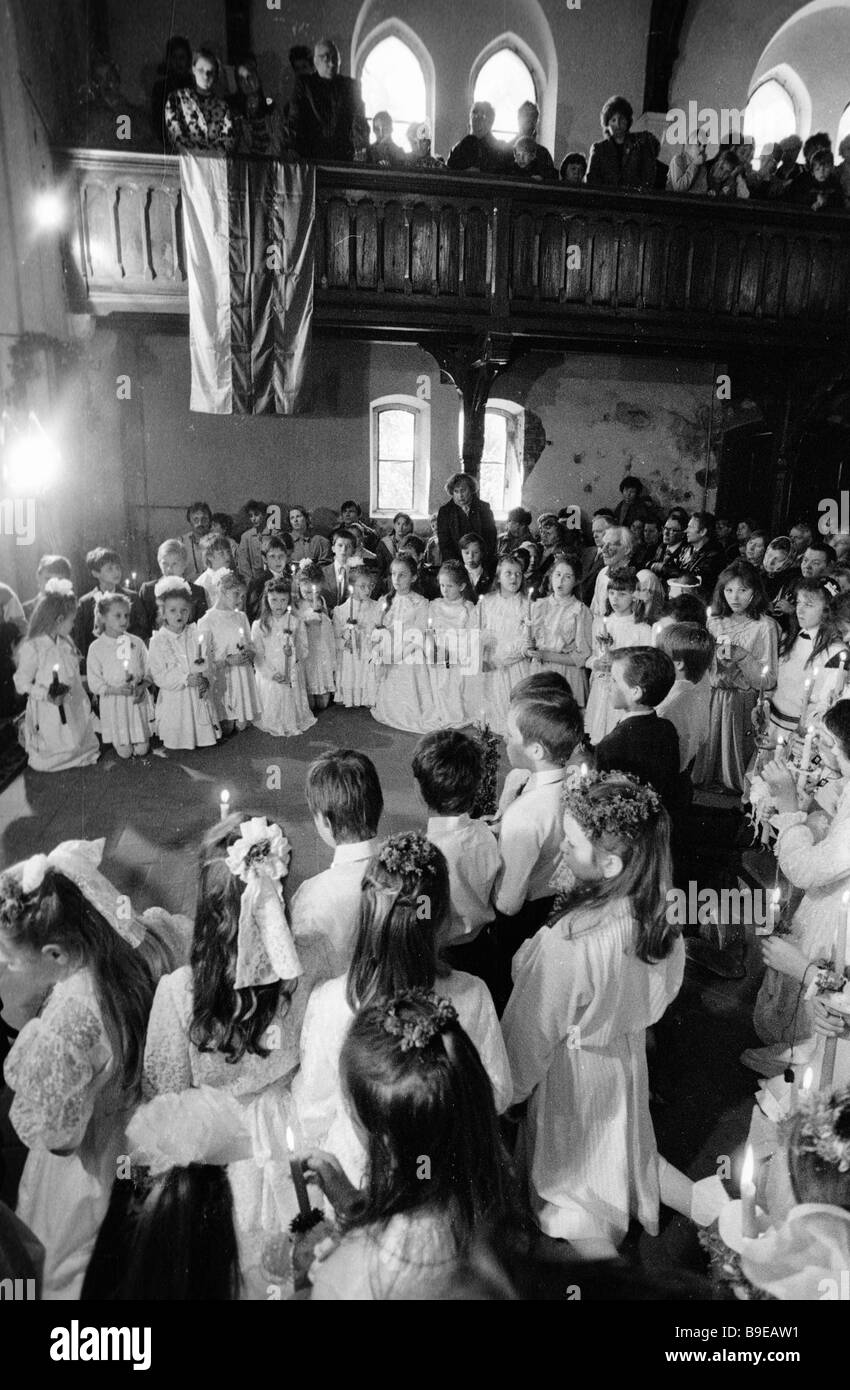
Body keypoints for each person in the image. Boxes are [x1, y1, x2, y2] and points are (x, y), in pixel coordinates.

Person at [142, 815, 332, 1298]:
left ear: (208, 906)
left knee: (230, 1267)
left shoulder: (180, 991)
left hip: (217, 1148)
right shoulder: (310, 959)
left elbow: (164, 1093)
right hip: (292, 1133)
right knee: (295, 1258)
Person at [501, 774, 685, 1254]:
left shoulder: (570, 943)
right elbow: (661, 992)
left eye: (572, 843)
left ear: (609, 863)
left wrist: (512, 1092)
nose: (561, 850)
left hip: (573, 1072)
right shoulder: (658, 913)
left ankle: (603, 1266)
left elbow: (532, 1031)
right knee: (624, 1148)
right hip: (624, 1061)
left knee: (574, 1184)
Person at [292, 836, 511, 1195]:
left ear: (368, 912)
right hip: (447, 1171)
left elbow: (312, 1111)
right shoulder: (472, 995)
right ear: (441, 918)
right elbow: (497, 1094)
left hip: (360, 1173)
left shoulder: (330, 1001)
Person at [0, 842, 155, 1297]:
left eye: (11, 959)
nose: (6, 967)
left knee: (62, 1254)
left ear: (55, 954)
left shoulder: (69, 1020)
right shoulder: (121, 952)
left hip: (91, 1160)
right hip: (130, 1129)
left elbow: (59, 1140)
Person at [296, 990, 518, 1299]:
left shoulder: (345, 1277)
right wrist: (353, 1207)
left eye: (350, 1111)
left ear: (385, 1143)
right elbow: (424, 1199)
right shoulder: (497, 1213)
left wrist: (340, 1269)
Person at [743, 700, 850, 1078]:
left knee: (819, 1000)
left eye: (823, 742)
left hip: (838, 911)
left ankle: (806, 1057)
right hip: (832, 896)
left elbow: (805, 870)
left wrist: (789, 807)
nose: (818, 749)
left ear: (838, 746)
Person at [493, 687, 583, 998]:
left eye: (510, 735)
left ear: (536, 751)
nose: (504, 741)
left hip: (526, 916)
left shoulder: (526, 814)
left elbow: (509, 902)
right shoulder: (577, 782)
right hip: (563, 899)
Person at [290, 750, 383, 973]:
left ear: (325, 823)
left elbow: (303, 963)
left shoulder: (311, 895)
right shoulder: (410, 868)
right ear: (378, 804)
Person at [411, 731, 500, 956]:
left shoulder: (423, 857)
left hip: (444, 953)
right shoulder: (485, 833)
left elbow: (423, 916)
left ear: (419, 792)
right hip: (484, 945)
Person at [693, 561, 778, 793]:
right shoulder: (715, 621)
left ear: (755, 592)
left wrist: (742, 657)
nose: (735, 597)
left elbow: (768, 679)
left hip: (742, 699)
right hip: (714, 696)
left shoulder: (765, 626)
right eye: (729, 590)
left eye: (743, 590)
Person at [14, 581, 100, 772]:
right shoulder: (34, 647)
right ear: (59, 619)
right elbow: (21, 683)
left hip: (70, 700)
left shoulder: (64, 643)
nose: (74, 624)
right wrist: (46, 694)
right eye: (72, 620)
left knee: (75, 733)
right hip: (48, 705)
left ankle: (78, 751)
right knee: (56, 735)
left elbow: (73, 677)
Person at [594, 648, 682, 819]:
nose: (607, 684)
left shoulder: (610, 745)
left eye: (613, 680)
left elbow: (606, 803)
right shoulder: (667, 728)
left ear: (635, 692)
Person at [147, 577, 220, 750]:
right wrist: (185, 679)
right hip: (176, 696)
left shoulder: (195, 633)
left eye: (184, 610)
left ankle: (202, 735)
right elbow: (159, 675)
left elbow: (206, 660)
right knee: (179, 724)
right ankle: (181, 737)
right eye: (173, 611)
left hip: (197, 693)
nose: (179, 615)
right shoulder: (159, 640)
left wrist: (205, 678)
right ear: (163, 613)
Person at [584, 569, 652, 745]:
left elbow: (644, 665)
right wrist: (596, 663)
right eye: (612, 593)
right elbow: (591, 657)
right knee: (597, 737)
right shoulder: (601, 623)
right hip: (601, 689)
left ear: (634, 596)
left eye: (622, 594)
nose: (615, 599)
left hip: (624, 690)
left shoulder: (642, 629)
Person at [371, 554, 434, 733]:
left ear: (413, 577)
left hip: (409, 648)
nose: (396, 579)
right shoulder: (385, 601)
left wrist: (397, 654)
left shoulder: (420, 602)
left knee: (410, 664)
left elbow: (419, 634)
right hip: (388, 646)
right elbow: (377, 629)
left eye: (402, 575)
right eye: (393, 574)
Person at [86, 593, 152, 759]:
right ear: (103, 618)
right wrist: (114, 690)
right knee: (125, 752)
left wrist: (142, 686)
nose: (124, 620)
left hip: (136, 701)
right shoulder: (96, 647)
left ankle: (140, 737)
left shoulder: (136, 642)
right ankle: (122, 740)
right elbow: (94, 682)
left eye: (126, 615)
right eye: (117, 615)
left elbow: (150, 669)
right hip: (115, 702)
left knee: (142, 750)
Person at [476, 555, 534, 736]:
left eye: (518, 574)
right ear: (499, 576)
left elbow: (525, 640)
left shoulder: (527, 605)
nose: (514, 578)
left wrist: (501, 658)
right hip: (490, 664)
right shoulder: (488, 602)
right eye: (508, 573)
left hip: (514, 665)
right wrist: (483, 647)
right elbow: (479, 630)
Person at [251, 576, 315, 737]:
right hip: (269, 672)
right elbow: (258, 656)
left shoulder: (295, 622)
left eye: (283, 600)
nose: (279, 605)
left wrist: (293, 653)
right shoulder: (259, 625)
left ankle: (294, 718)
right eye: (274, 600)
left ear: (288, 600)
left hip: (291, 670)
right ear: (267, 600)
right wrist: (271, 674)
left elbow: (304, 647)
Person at [197, 572, 259, 737]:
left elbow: (250, 645)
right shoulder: (207, 621)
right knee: (227, 728)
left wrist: (249, 653)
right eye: (236, 594)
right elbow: (204, 660)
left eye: (243, 596)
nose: (240, 600)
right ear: (222, 591)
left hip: (242, 679)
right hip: (222, 679)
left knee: (242, 726)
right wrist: (228, 661)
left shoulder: (241, 617)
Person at [289, 38, 367, 163]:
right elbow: (295, 119)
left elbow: (359, 120)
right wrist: (293, 148)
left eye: (335, 58)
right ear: (315, 61)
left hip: (342, 158)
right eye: (325, 58)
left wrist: (360, 148)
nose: (331, 63)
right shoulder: (304, 84)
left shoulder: (351, 86)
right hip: (310, 158)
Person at [530, 555, 592, 708]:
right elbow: (529, 639)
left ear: (576, 581)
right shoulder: (538, 606)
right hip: (540, 670)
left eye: (567, 576)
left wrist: (547, 655)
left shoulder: (580, 611)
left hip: (566, 674)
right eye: (557, 575)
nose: (561, 581)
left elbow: (582, 657)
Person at [655, 622, 714, 772]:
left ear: (679, 664)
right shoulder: (697, 693)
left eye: (661, 654)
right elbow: (703, 736)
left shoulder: (666, 706)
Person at [428, 560, 478, 728]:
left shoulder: (467, 608)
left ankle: (454, 714)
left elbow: (471, 636)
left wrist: (455, 651)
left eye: (449, 586)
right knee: (439, 686)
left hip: (458, 657)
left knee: (454, 687)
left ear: (462, 586)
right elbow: (429, 630)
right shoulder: (435, 605)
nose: (445, 590)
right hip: (438, 654)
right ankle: (440, 711)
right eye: (442, 585)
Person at [72, 547, 147, 660]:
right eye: (110, 569)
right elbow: (81, 639)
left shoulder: (132, 597)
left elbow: (142, 629)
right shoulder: (85, 603)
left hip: (127, 655)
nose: (116, 572)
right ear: (95, 573)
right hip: (99, 659)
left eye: (117, 568)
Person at [164, 48, 235, 154]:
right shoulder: (176, 99)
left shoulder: (223, 107)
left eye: (210, 72)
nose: (206, 76)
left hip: (214, 166)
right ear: (193, 69)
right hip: (187, 164)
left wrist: (210, 154)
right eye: (201, 70)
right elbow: (176, 135)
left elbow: (228, 141)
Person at [332, 564, 380, 709]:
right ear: (352, 587)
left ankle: (367, 695)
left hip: (368, 654)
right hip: (350, 658)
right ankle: (351, 695)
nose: (368, 590)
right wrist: (345, 641)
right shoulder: (341, 611)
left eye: (370, 585)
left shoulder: (377, 607)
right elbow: (335, 638)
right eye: (362, 586)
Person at [585, 96, 655, 191]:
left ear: (628, 121)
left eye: (621, 119)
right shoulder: (599, 149)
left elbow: (648, 176)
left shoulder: (640, 146)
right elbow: (591, 180)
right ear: (607, 124)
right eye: (613, 120)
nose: (617, 124)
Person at [139, 539, 207, 635]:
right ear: (159, 563)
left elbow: (201, 629)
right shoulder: (148, 590)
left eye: (174, 564)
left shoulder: (197, 592)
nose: (169, 569)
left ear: (184, 565)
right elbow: (142, 629)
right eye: (165, 563)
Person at [294, 564, 336, 712]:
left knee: (323, 704)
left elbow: (328, 624)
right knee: (311, 705)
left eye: (316, 591)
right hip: (306, 651)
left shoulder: (321, 601)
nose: (312, 595)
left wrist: (323, 616)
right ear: (299, 585)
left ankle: (322, 690)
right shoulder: (296, 605)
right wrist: (305, 622)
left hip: (320, 650)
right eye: (307, 591)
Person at [437, 471, 497, 566]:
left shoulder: (484, 508)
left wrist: (481, 561)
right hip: (455, 563)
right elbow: (445, 544)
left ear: (471, 490)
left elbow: (491, 538)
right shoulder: (445, 511)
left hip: (481, 563)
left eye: (463, 490)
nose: (460, 495)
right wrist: (456, 565)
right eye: (456, 491)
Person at [231, 57, 286, 158]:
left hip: (269, 162)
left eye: (249, 77)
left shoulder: (272, 107)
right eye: (241, 79)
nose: (246, 83)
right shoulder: (235, 110)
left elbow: (278, 140)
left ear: (258, 77)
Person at [150, 35, 192, 150]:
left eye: (182, 57)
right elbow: (158, 122)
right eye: (174, 57)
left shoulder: (196, 85)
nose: (178, 62)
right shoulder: (160, 88)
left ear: (188, 59)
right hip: (169, 147)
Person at [447, 102, 512, 175]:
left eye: (483, 115)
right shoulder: (457, 149)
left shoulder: (501, 150)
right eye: (475, 113)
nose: (477, 117)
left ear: (491, 122)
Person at [245, 534, 292, 624]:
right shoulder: (258, 582)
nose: (277, 560)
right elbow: (252, 612)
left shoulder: (290, 579)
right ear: (265, 558)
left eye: (281, 556)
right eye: (272, 556)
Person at [676, 511, 725, 599]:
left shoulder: (715, 556)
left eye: (690, 527)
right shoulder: (685, 549)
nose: (686, 530)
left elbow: (696, 580)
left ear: (702, 532)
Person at [589, 525, 635, 617]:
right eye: (604, 544)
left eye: (610, 545)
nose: (603, 550)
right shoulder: (602, 573)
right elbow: (595, 610)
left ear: (626, 550)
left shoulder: (636, 577)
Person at [196, 533, 237, 606]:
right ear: (209, 556)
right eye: (221, 553)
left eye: (228, 552)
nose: (227, 556)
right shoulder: (201, 585)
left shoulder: (234, 576)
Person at [180, 502, 214, 582]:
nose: (200, 523)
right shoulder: (180, 543)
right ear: (190, 521)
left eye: (204, 519)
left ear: (210, 521)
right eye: (196, 519)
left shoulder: (219, 542)